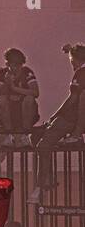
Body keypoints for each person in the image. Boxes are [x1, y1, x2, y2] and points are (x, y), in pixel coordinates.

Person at [30, 44, 85, 204]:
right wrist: (69, 49)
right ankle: (48, 177)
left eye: (71, 60)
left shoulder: (80, 73)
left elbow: (73, 99)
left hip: (69, 118)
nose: (71, 63)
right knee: (40, 139)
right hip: (74, 120)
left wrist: (56, 115)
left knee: (43, 144)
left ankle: (43, 183)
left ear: (75, 60)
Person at [0, 48, 39, 142]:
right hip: (9, 112)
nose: (17, 68)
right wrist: (7, 84)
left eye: (20, 64)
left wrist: (14, 88)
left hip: (26, 112)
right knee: (1, 99)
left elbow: (35, 92)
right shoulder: (3, 73)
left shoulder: (27, 72)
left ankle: (25, 135)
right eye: (14, 65)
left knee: (29, 99)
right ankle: (8, 134)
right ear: (8, 64)